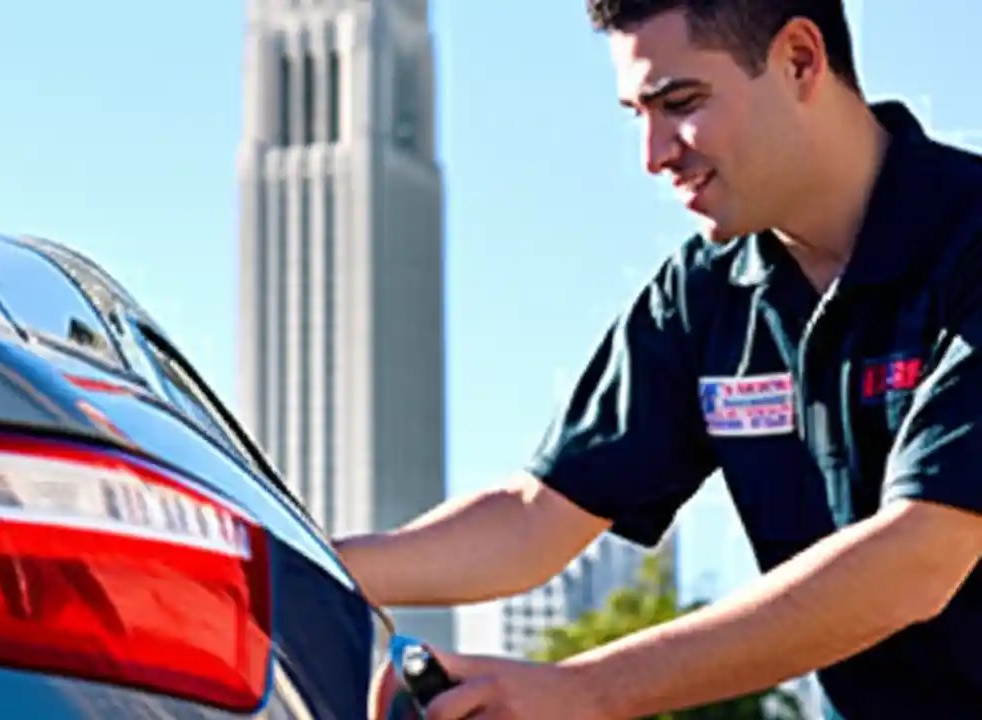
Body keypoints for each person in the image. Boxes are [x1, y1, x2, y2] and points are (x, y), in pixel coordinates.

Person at [338, 0, 982, 717]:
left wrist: (582, 691)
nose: (653, 155)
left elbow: (922, 556)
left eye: (680, 103)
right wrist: (287, 565)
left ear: (800, 59)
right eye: (635, 115)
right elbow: (532, 520)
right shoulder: (706, 294)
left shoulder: (972, 244)